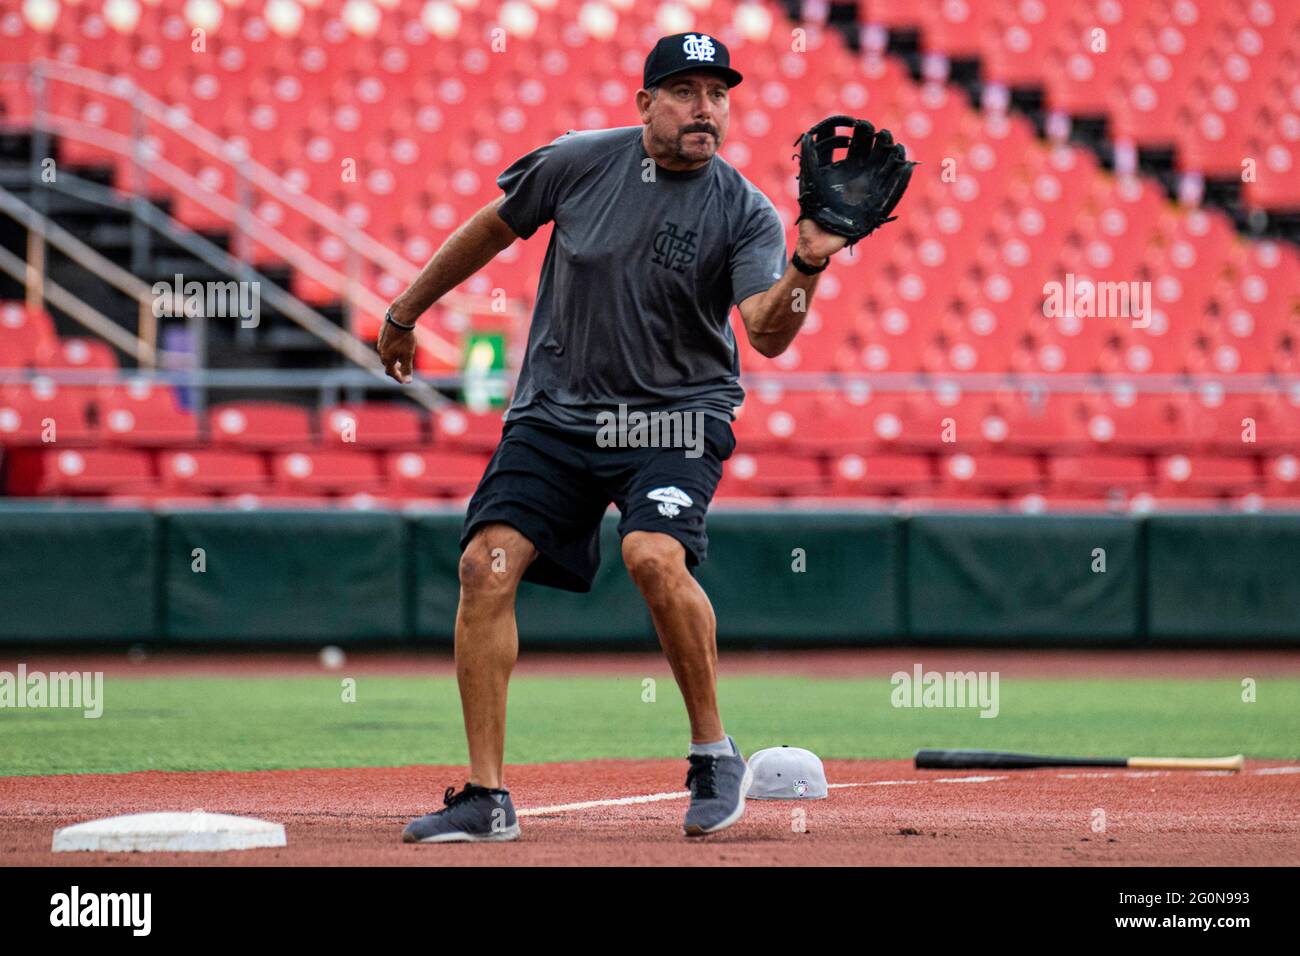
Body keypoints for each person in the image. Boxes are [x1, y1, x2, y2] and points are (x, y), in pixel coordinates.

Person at [379, 32, 846, 842]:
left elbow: (767, 335)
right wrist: (404, 312)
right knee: (483, 566)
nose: (706, 108)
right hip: (557, 413)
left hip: (675, 415)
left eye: (719, 94)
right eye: (686, 91)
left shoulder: (742, 209)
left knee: (652, 556)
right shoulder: (579, 161)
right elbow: (491, 229)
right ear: (645, 104)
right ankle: (487, 798)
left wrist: (807, 264)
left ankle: (711, 752)